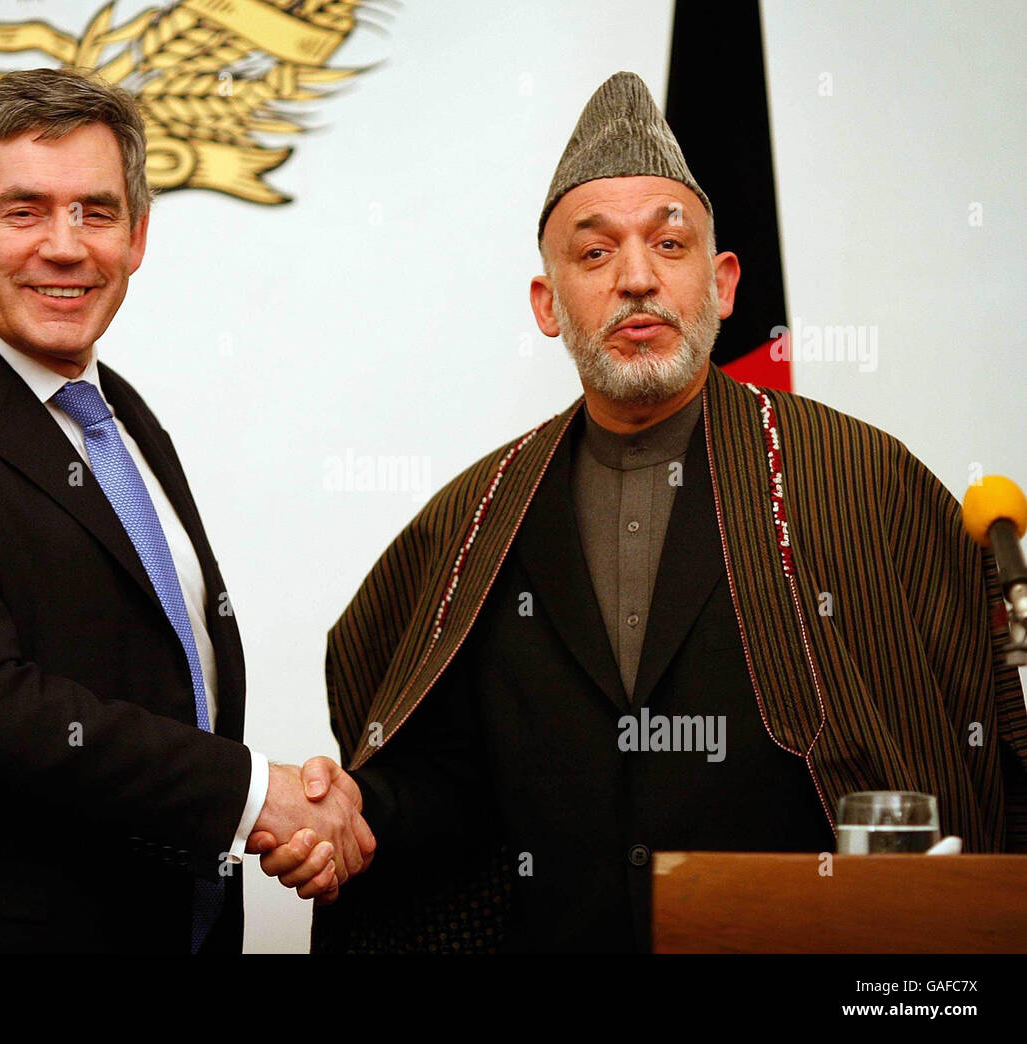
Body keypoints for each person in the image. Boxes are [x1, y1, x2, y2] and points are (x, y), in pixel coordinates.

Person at [256, 70, 1027, 952]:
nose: (635, 279)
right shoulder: (475, 519)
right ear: (547, 304)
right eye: (594, 253)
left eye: (669, 245)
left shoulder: (860, 483)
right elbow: (445, 780)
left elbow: (964, 757)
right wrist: (355, 808)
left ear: (725, 282)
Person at [0, 67, 372, 955]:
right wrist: (259, 796)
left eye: (95, 212)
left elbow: (161, 677)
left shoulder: (122, 414)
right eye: (23, 211)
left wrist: (272, 806)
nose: (65, 246)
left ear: (138, 237)